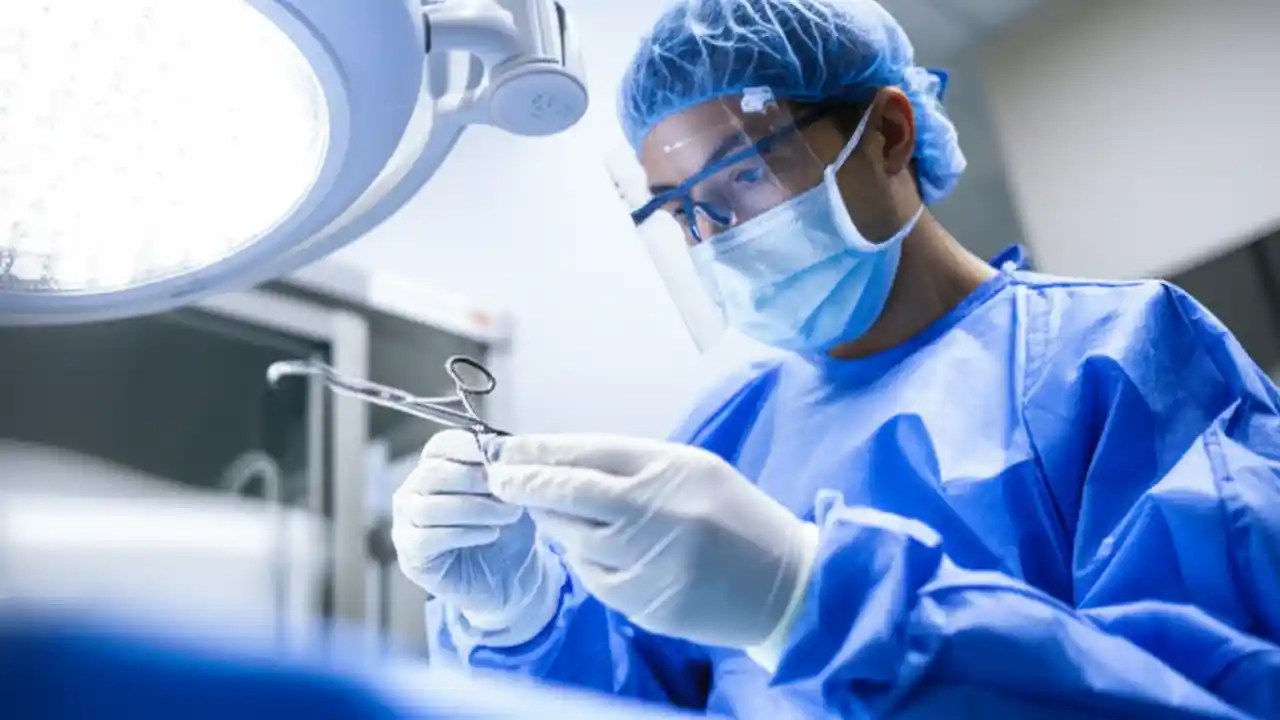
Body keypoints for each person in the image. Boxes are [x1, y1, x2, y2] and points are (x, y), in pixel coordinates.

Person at [391, 0, 1280, 717]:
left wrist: (814, 605)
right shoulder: (724, 434)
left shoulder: (1118, 361)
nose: (716, 235)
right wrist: (520, 616)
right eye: (683, 212)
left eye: (740, 175)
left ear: (889, 134)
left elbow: (1212, 693)